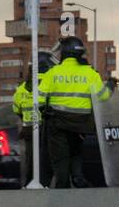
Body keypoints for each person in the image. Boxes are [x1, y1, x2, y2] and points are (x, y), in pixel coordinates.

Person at [39, 36, 111, 189]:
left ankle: (63, 190)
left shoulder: (53, 73)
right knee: (76, 154)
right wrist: (110, 85)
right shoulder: (90, 73)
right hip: (81, 124)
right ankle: (78, 179)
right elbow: (103, 96)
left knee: (60, 159)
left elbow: (38, 99)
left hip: (57, 124)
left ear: (64, 53)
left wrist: (42, 110)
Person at [13, 51, 55, 185]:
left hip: (29, 129)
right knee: (49, 160)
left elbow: (16, 110)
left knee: (31, 161)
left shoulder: (21, 89)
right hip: (48, 129)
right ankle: (47, 184)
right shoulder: (51, 84)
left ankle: (30, 184)